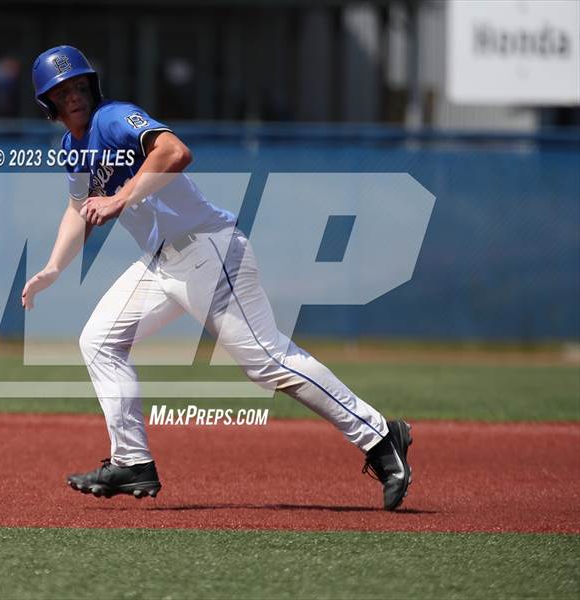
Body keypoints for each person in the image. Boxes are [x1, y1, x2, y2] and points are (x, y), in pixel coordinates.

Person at [21, 46, 413, 510]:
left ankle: (381, 436)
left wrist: (120, 196)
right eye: (62, 92)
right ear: (49, 104)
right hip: (162, 261)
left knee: (267, 361)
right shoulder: (73, 148)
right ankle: (131, 460)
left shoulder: (113, 119)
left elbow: (175, 151)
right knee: (99, 340)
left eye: (79, 86)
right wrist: (53, 267)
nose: (75, 97)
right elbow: (77, 210)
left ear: (93, 86)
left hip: (208, 246)